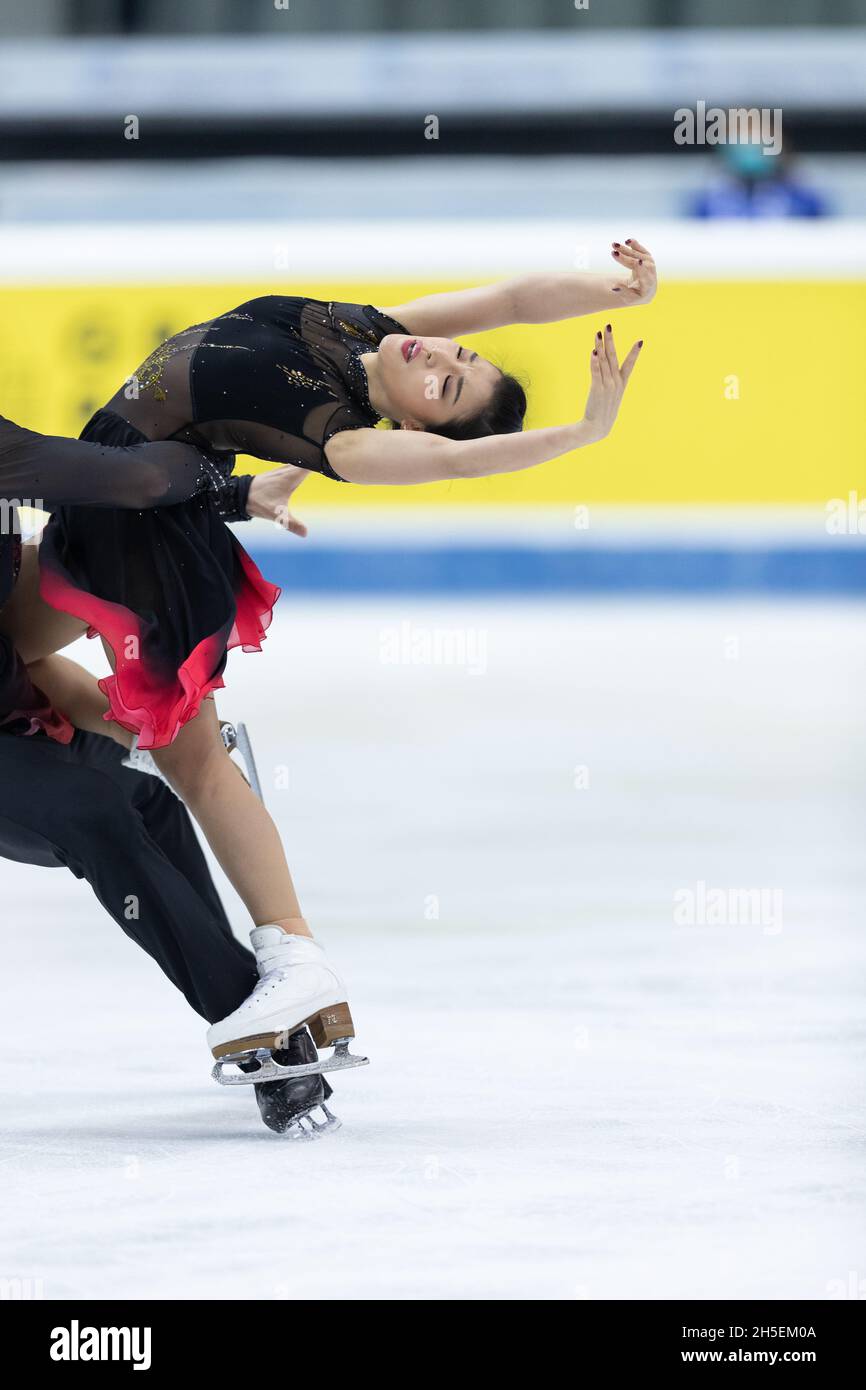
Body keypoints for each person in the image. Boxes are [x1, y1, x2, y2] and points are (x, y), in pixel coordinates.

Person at [0, 237, 656, 1085]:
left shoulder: (341, 436)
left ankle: (295, 952)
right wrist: (618, 292)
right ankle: (132, 734)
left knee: (194, 766)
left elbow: (456, 460)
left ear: (415, 422)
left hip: (145, 540)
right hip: (103, 510)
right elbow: (506, 298)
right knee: (12, 652)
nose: (442, 355)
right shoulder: (362, 331)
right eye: (460, 356)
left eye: (447, 385)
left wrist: (581, 435)